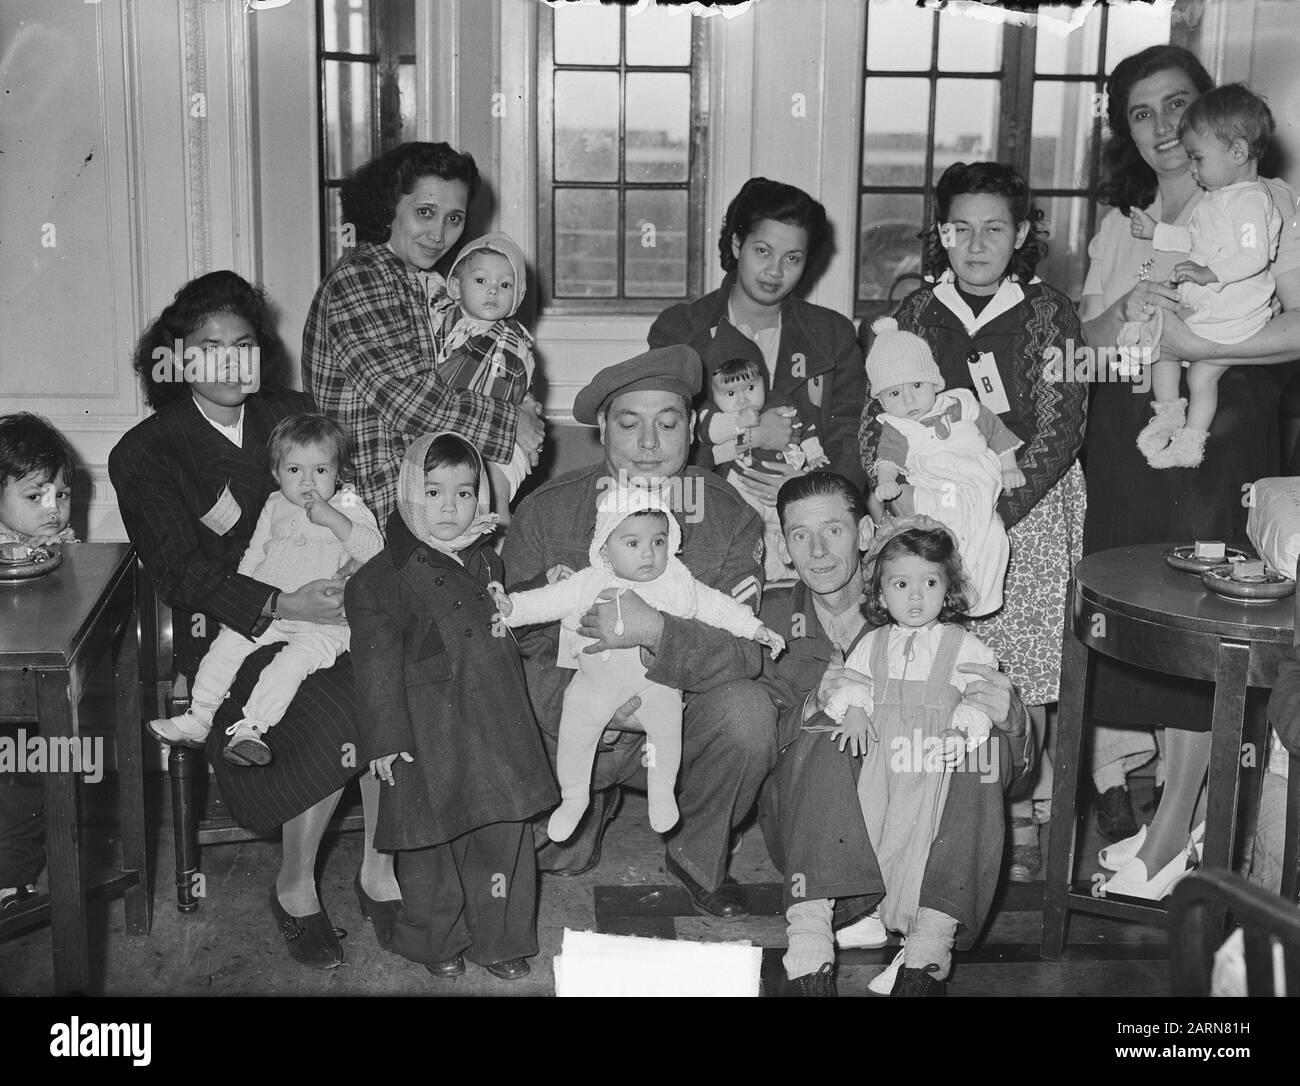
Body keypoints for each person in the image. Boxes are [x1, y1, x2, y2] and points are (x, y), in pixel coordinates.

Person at [109, 271, 400, 968]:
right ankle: (295, 885)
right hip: (228, 629)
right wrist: (278, 604)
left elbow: (353, 500)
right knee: (333, 704)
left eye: (244, 345)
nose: (233, 362)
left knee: (401, 675)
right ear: (176, 359)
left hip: (331, 608)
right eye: (211, 348)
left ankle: (378, 868)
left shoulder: (293, 414)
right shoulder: (145, 452)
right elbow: (178, 570)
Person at [1080, 45, 1300, 898]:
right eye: (1140, 112)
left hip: (1221, 430)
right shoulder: (1123, 220)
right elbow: (1089, 344)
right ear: (1125, 133)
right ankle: (1185, 822)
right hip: (1131, 435)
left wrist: (1197, 343)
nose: (1163, 126)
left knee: (1205, 628)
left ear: (1214, 114)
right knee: (1152, 630)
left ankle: (1170, 836)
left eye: (1178, 104)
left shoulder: (1268, 203)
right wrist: (1131, 304)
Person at [860, 160, 1086, 883]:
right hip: (930, 523)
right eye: (961, 228)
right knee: (937, 660)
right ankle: (936, 810)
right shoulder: (919, 313)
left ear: (1020, 233)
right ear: (941, 233)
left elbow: (1061, 424)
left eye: (996, 228)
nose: (978, 244)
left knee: (1018, 674)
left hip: (1029, 512)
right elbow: (879, 419)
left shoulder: (1051, 311)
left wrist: (994, 513)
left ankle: (1015, 813)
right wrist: (902, 505)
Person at [501, 345, 777, 918]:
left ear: (695, 428)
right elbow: (518, 642)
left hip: (681, 709)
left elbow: (744, 653)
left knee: (750, 714)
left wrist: (658, 634)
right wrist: (595, 717)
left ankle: (698, 854)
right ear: (601, 428)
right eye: (629, 424)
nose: (649, 444)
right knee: (553, 858)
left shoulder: (728, 514)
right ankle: (587, 804)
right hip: (580, 715)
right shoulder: (548, 511)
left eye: (668, 423)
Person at [755, 472, 1033, 996]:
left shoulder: (924, 607)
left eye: (833, 531)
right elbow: (751, 743)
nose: (816, 550)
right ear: (783, 544)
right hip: (814, 826)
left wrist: (1009, 715)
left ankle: (930, 943)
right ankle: (813, 936)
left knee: (983, 746)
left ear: (863, 534)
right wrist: (818, 705)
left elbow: (1016, 770)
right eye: (799, 535)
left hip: (925, 802)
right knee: (827, 727)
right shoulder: (766, 618)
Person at [346, 432, 557, 982]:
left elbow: (501, 625)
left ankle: (502, 939)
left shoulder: (486, 559)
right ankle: (434, 938)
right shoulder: (378, 580)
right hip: (424, 734)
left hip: (493, 724)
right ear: (408, 493)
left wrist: (539, 595)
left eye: (464, 493)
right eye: (433, 491)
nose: (449, 507)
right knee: (430, 849)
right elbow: (374, 667)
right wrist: (384, 739)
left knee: (503, 836)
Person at [491, 484, 784, 840]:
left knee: (666, 725)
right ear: (605, 549)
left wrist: (754, 628)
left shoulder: (677, 582)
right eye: (633, 544)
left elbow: (719, 608)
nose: (649, 554)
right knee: (575, 724)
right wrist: (514, 609)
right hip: (595, 683)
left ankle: (662, 796)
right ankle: (574, 798)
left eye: (658, 542)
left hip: (654, 683)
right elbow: (549, 600)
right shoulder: (590, 581)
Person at [302, 142, 545, 530]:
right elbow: (412, 403)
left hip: (426, 499)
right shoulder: (362, 278)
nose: (438, 233)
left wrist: (522, 399)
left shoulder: (421, 285)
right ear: (389, 207)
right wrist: (511, 420)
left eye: (454, 218)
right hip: (377, 511)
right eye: (425, 212)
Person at [148, 413, 382, 767]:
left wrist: (335, 519)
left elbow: (375, 551)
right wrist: (238, 613)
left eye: (320, 470)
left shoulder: (347, 503)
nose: (308, 482)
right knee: (223, 648)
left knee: (288, 667)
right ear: (276, 473)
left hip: (325, 623)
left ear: (339, 472)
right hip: (271, 613)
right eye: (294, 471)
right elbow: (253, 556)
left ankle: (252, 729)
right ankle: (199, 717)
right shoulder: (274, 504)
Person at [649, 176, 867, 520]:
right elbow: (662, 440)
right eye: (762, 251)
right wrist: (749, 435)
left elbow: (851, 435)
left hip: (811, 521)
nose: (775, 271)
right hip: (704, 519)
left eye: (792, 258)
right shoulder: (680, 330)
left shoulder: (832, 334)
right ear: (737, 245)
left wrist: (813, 490)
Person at [1126, 84, 1282, 468]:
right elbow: (1194, 240)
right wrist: (1155, 232)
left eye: (1197, 158)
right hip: (1212, 308)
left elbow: (1254, 256)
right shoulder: (1219, 198)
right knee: (1160, 349)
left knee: (1200, 377)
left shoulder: (1249, 200)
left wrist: (1206, 272)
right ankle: (1168, 415)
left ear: (1238, 152)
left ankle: (1190, 443)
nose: (1192, 169)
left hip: (1235, 316)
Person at [862, 317, 1023, 617]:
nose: (908, 399)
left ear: (935, 381)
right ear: (882, 401)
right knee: (948, 526)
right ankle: (953, 589)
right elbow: (888, 459)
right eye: (894, 394)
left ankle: (981, 596)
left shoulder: (961, 402)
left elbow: (995, 430)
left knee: (993, 534)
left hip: (977, 476)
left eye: (917, 385)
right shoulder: (897, 426)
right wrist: (886, 480)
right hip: (940, 484)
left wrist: (1009, 466)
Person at [0, 413, 78, 912]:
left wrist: (63, 564)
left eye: (62, 495)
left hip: (30, 698)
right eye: (36, 496)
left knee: (23, 781)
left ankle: (10, 876)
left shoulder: (59, 548)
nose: (53, 509)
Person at [694, 327, 828, 580]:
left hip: (783, 486)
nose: (743, 399)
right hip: (745, 486)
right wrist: (738, 422)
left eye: (751, 388)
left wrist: (814, 452)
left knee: (789, 528)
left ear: (764, 380)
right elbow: (709, 432)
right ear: (713, 395)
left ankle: (788, 576)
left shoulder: (779, 402)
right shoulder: (712, 414)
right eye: (731, 393)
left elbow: (805, 426)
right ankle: (747, 575)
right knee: (744, 529)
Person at [430, 231, 538, 519]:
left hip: (502, 439)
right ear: (454, 286)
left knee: (493, 492)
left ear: (517, 297)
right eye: (480, 281)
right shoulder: (440, 326)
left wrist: (527, 405)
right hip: (451, 429)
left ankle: (501, 532)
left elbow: (525, 390)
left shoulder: (518, 342)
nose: (493, 291)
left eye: (505, 285)